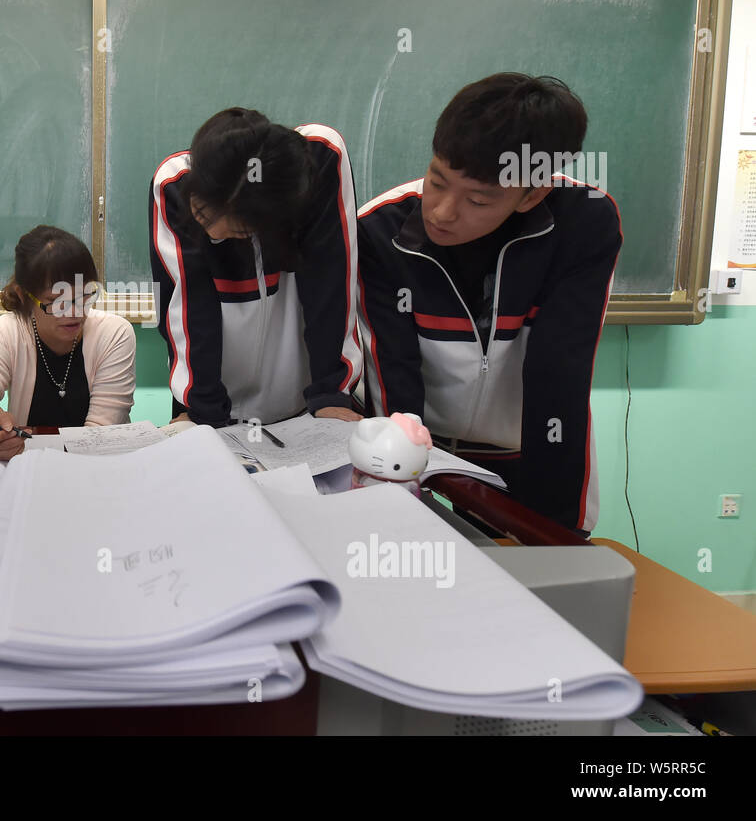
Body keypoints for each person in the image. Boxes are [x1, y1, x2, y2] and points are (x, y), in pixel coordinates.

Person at [357, 73, 621, 534]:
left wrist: (553, 535)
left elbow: (559, 371)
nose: (441, 212)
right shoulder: (383, 231)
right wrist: (396, 474)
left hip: (528, 446)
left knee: (540, 575)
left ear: (533, 193)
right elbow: (391, 369)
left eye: (477, 200)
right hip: (417, 441)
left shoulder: (583, 225)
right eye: (437, 181)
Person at [149, 108, 362, 428]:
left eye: (237, 231)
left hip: (304, 402)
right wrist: (206, 412)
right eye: (203, 214)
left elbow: (331, 285)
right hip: (208, 400)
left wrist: (331, 392)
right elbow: (190, 308)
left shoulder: (321, 159)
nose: (215, 235)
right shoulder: (173, 184)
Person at [0, 225, 135, 461]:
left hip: (95, 467)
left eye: (85, 296)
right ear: (22, 295)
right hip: (28, 468)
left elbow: (97, 434)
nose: (76, 312)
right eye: (57, 302)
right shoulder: (10, 329)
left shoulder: (114, 334)